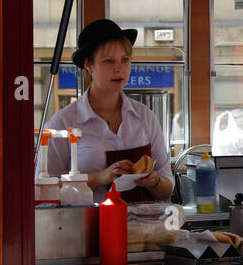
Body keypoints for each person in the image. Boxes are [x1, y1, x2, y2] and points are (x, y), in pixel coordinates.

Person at [48, 19, 173, 201]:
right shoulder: (64, 122)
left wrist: (154, 182)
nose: (119, 68)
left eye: (125, 60)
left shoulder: (145, 117)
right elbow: (46, 188)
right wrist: (98, 177)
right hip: (89, 225)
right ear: (89, 66)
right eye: (108, 61)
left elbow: (167, 188)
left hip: (145, 225)